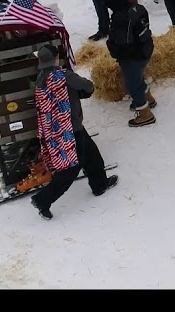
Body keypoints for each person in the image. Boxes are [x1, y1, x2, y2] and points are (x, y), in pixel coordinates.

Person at [29, 44, 118, 220]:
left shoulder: (40, 80)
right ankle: (43, 200)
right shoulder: (64, 76)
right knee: (71, 168)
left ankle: (100, 184)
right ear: (56, 59)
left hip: (56, 130)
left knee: (92, 155)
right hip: (71, 128)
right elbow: (88, 86)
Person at [107, 0, 157, 127]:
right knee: (138, 76)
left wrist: (113, 49)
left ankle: (145, 114)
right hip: (146, 48)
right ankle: (149, 99)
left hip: (133, 56)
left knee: (133, 85)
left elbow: (123, 42)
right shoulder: (137, 8)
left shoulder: (120, 18)